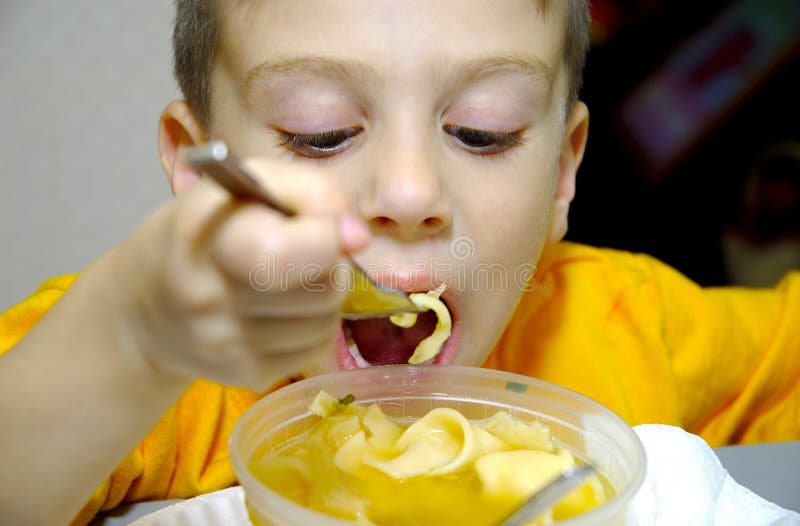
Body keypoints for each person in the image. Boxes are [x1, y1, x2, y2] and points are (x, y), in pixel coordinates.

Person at [0, 1, 797, 524]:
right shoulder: (170, 368)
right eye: (321, 132)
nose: (410, 193)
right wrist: (127, 342)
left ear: (562, 171)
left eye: (484, 131)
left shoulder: (625, 322)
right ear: (200, 170)